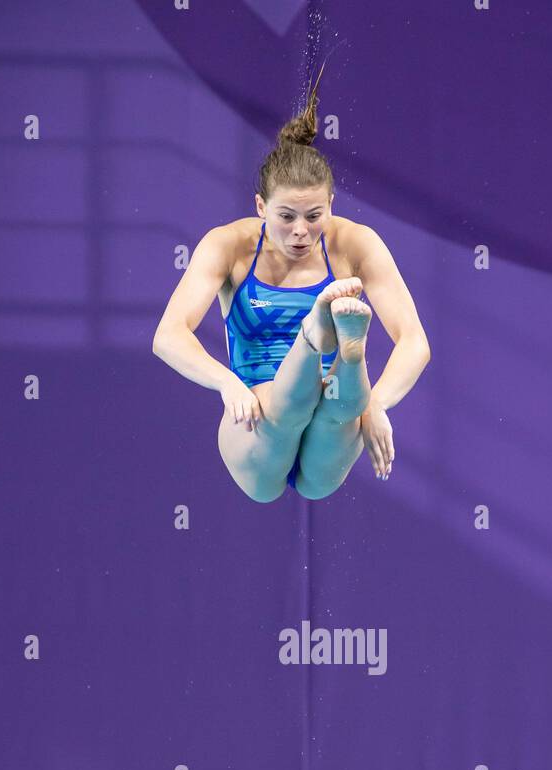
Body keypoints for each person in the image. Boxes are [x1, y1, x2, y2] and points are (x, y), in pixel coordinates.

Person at [153, 69, 431, 502]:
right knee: (292, 416)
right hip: (257, 410)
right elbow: (168, 336)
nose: (301, 231)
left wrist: (376, 403)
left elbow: (414, 341)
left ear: (331, 204)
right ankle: (316, 335)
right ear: (261, 206)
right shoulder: (228, 246)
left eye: (314, 215)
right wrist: (227, 384)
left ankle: (343, 355)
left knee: (337, 421)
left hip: (329, 403)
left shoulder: (355, 243)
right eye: (286, 217)